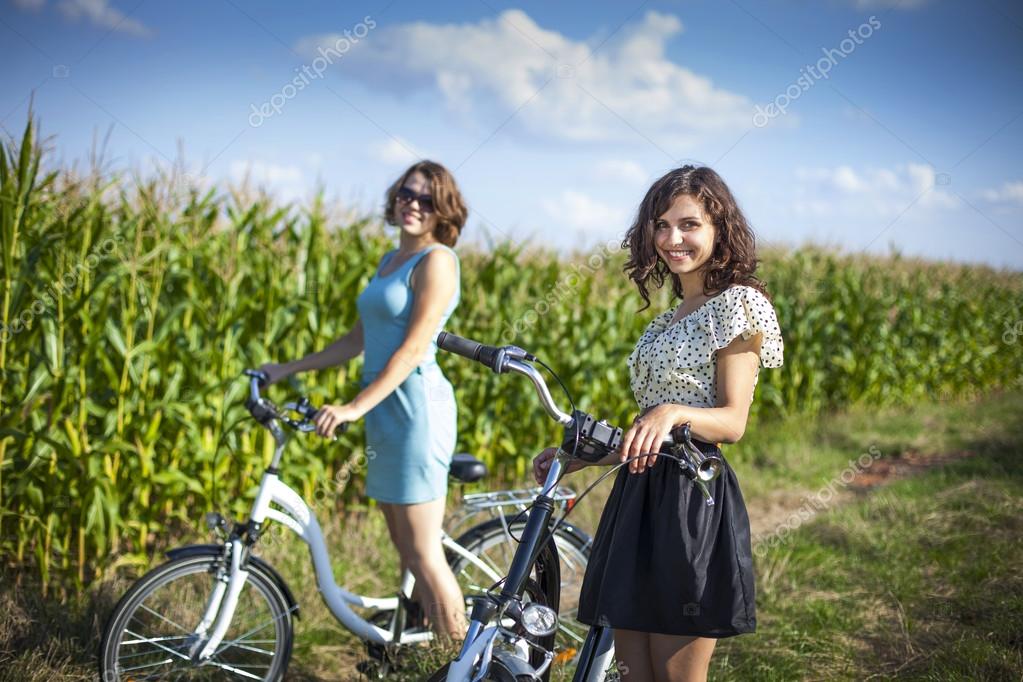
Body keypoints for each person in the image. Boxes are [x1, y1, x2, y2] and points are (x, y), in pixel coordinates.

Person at [533, 165, 784, 681]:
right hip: (637, 495)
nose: (673, 238)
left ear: (720, 228)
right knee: (632, 675)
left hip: (690, 500)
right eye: (662, 224)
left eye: (689, 224)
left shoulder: (738, 305)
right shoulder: (666, 319)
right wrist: (588, 455)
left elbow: (732, 422)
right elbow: (650, 425)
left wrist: (671, 413)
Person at [260, 160, 468, 636]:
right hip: (384, 411)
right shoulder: (388, 263)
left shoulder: (437, 261)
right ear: (395, 199)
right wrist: (287, 370)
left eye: (427, 200)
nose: (414, 205)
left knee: (424, 554)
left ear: (443, 211)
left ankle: (464, 664)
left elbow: (415, 348)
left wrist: (354, 407)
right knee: (406, 550)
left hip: (416, 410)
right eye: (407, 195)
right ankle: (421, 646)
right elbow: (356, 340)